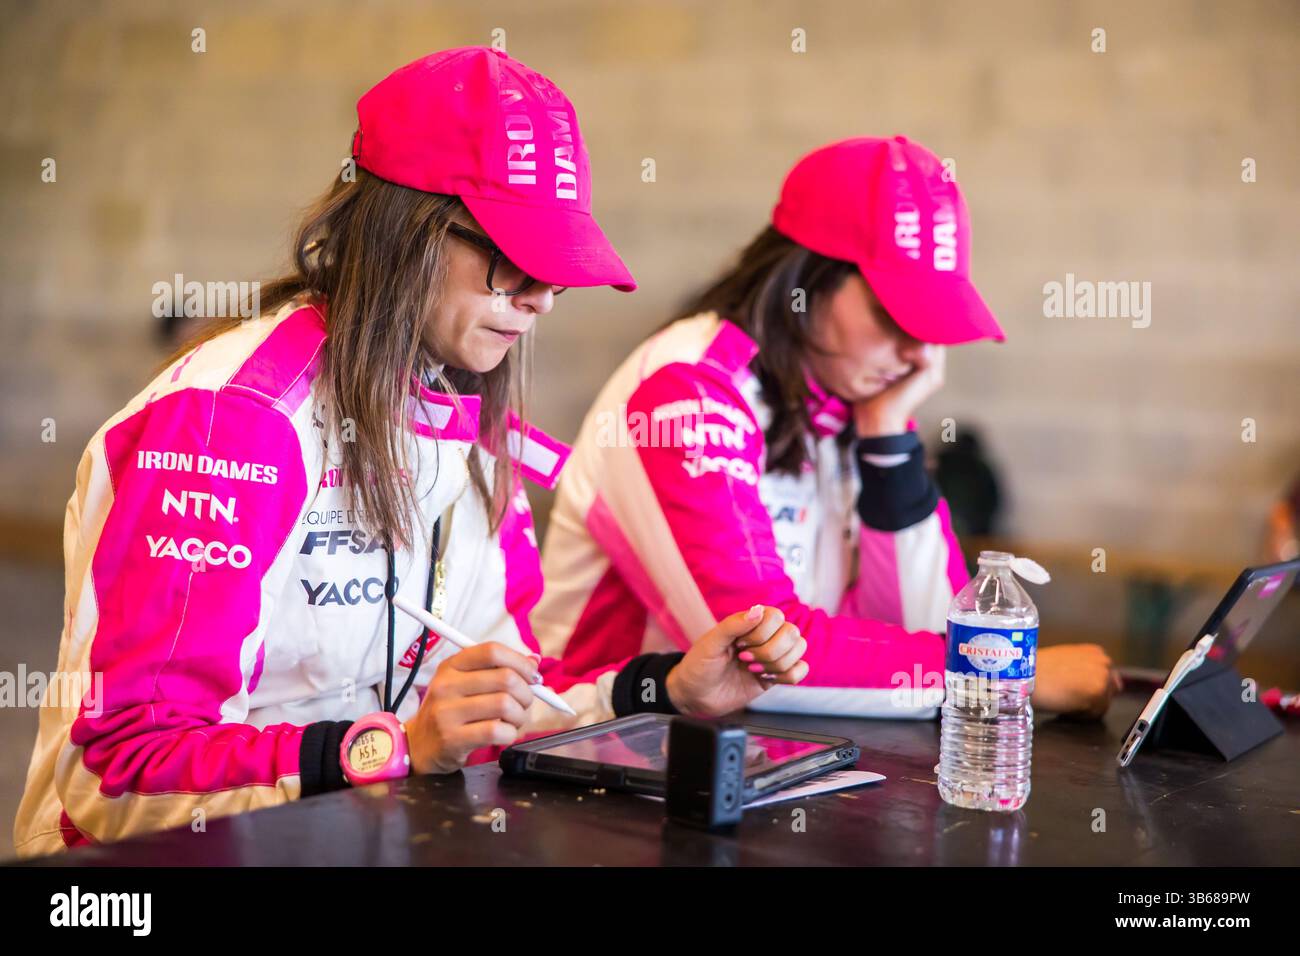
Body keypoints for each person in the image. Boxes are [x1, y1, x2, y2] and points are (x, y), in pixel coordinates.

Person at [13, 47, 808, 858]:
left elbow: (500, 691)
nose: (538, 300)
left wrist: (659, 687)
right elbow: (115, 774)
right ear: (403, 233)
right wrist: (395, 746)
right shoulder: (229, 427)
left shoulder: (469, 419)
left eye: (557, 274)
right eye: (513, 261)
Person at [533, 136, 1117, 719]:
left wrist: (887, 438)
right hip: (587, 754)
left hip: (749, 758)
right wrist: (999, 672)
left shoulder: (849, 394)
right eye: (896, 314)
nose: (918, 351)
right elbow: (759, 661)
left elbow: (929, 626)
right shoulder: (687, 389)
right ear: (804, 281)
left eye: (933, 321)